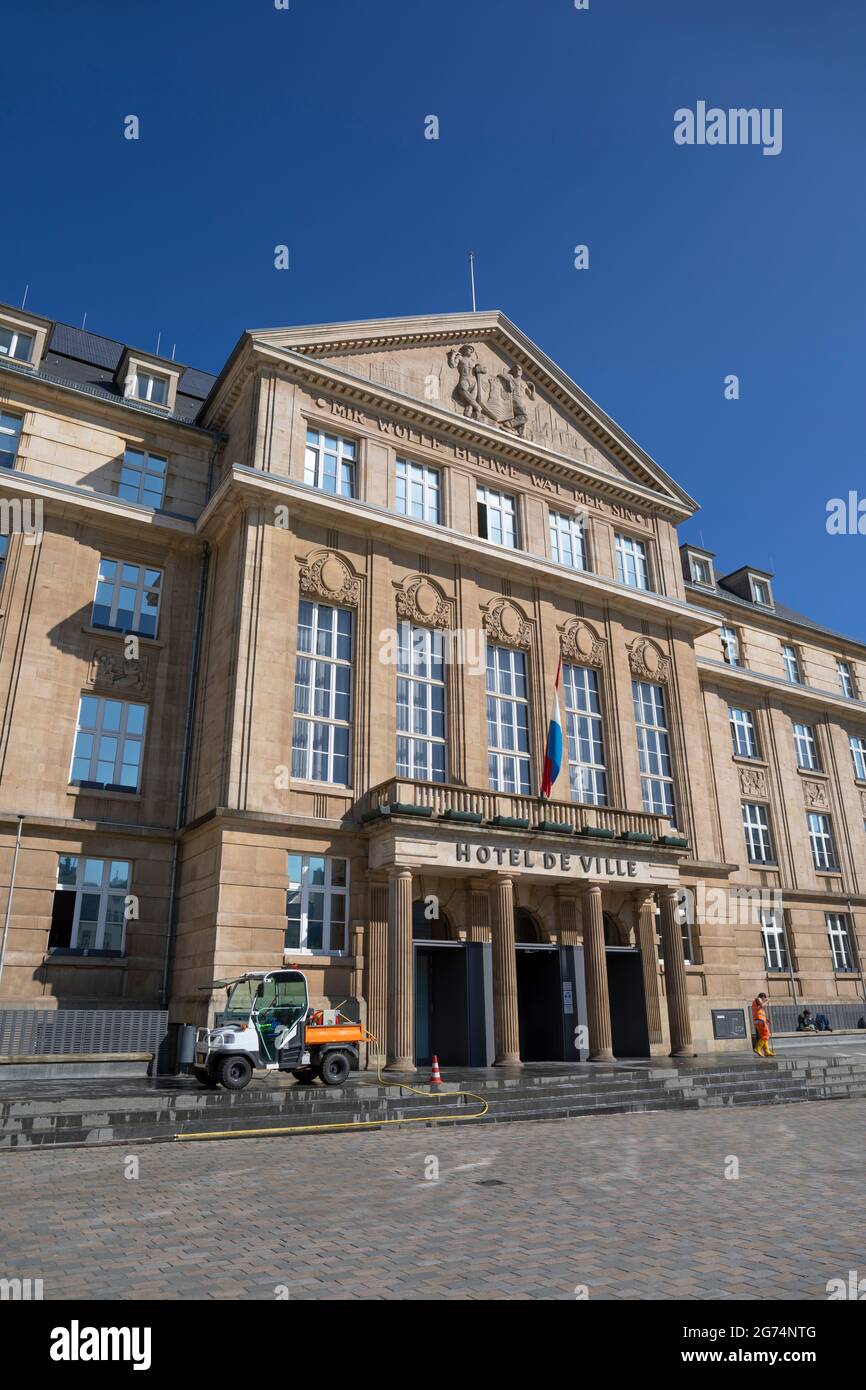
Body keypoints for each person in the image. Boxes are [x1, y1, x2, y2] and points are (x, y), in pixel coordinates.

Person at [751, 992, 775, 1057]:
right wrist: (766, 1002)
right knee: (766, 1035)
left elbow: (760, 1012)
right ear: (762, 997)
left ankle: (766, 1051)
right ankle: (757, 1048)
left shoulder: (758, 1006)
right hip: (760, 1021)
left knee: (764, 1036)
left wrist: (767, 1019)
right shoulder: (758, 999)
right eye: (764, 997)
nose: (764, 999)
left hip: (759, 1021)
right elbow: (761, 1004)